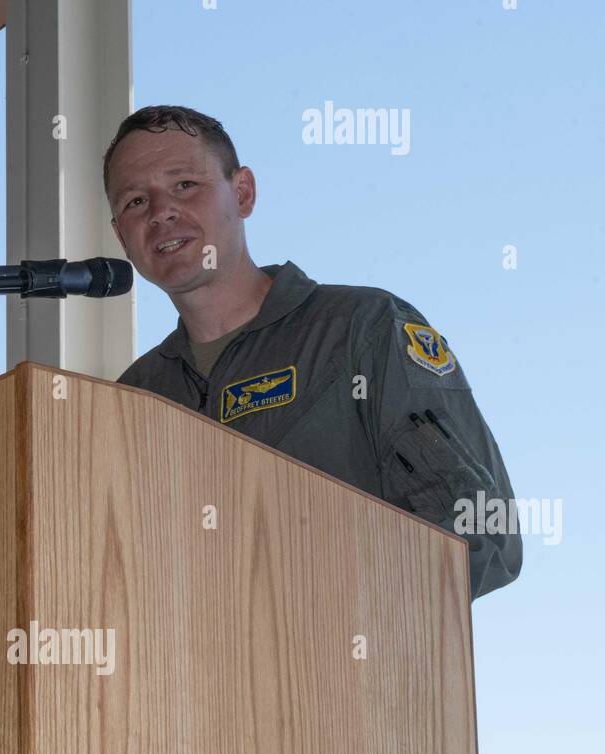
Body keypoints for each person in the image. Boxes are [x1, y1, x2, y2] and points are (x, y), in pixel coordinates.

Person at [103, 105, 522, 601]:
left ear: (243, 193)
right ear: (120, 235)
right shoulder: (131, 399)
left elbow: (483, 538)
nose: (161, 211)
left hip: (358, 667)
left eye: (184, 185)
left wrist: (315, 597)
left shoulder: (361, 330)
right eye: (135, 200)